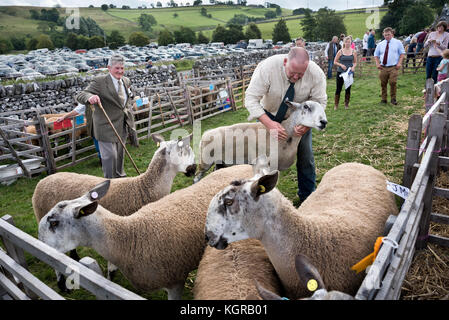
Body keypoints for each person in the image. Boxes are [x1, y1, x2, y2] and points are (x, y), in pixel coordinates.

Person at [245, 47, 327, 205]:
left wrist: (306, 127)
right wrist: (269, 124)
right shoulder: (267, 68)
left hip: (299, 121)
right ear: (285, 62)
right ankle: (261, 200)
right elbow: (250, 99)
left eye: (300, 74)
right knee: (262, 160)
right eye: (292, 72)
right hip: (268, 117)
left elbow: (320, 103)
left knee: (306, 157)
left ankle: (308, 198)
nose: (296, 77)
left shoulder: (316, 74)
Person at [76, 54, 135, 179]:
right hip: (105, 125)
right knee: (109, 156)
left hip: (122, 123)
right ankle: (109, 181)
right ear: (109, 67)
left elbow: (125, 100)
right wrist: (90, 97)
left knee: (120, 153)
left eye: (122, 68)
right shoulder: (100, 81)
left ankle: (120, 178)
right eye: (117, 68)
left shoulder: (126, 81)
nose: (120, 71)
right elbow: (81, 94)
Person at [374, 27, 405, 105]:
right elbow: (376, 55)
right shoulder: (380, 44)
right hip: (383, 67)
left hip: (393, 67)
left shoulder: (398, 43)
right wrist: (377, 63)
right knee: (383, 83)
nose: (387, 36)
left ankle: (393, 99)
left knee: (393, 82)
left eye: (388, 35)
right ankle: (383, 99)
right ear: (383, 35)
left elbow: (402, 54)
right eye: (385, 35)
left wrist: (399, 63)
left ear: (392, 34)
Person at [333, 36, 357, 110]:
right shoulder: (340, 51)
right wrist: (341, 65)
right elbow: (335, 62)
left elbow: (355, 62)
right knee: (338, 89)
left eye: (349, 42)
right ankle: (336, 105)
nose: (347, 43)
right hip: (340, 72)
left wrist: (353, 67)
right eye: (346, 42)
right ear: (344, 43)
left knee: (348, 89)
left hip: (349, 73)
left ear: (351, 43)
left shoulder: (353, 51)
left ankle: (346, 104)